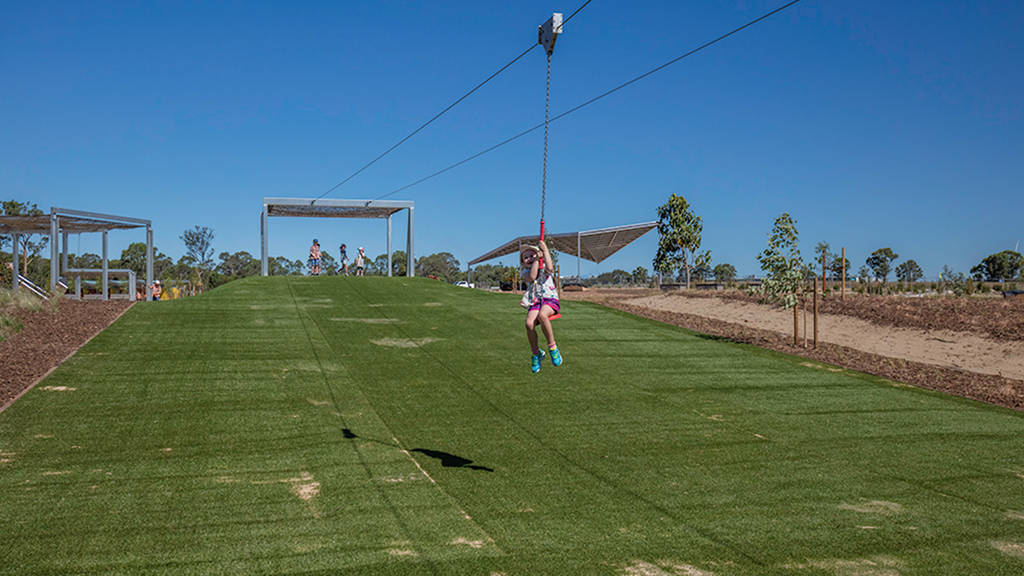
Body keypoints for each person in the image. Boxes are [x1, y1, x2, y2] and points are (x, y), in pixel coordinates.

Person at [520, 241, 562, 373]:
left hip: (549, 299)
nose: (529, 259)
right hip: (536, 302)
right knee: (529, 324)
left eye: (531, 255)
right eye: (525, 257)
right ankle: (536, 353)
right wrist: (537, 260)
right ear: (522, 262)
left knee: (543, 315)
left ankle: (553, 348)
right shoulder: (525, 272)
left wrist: (545, 250)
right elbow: (532, 276)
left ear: (538, 254)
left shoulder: (544, 269)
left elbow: (550, 268)